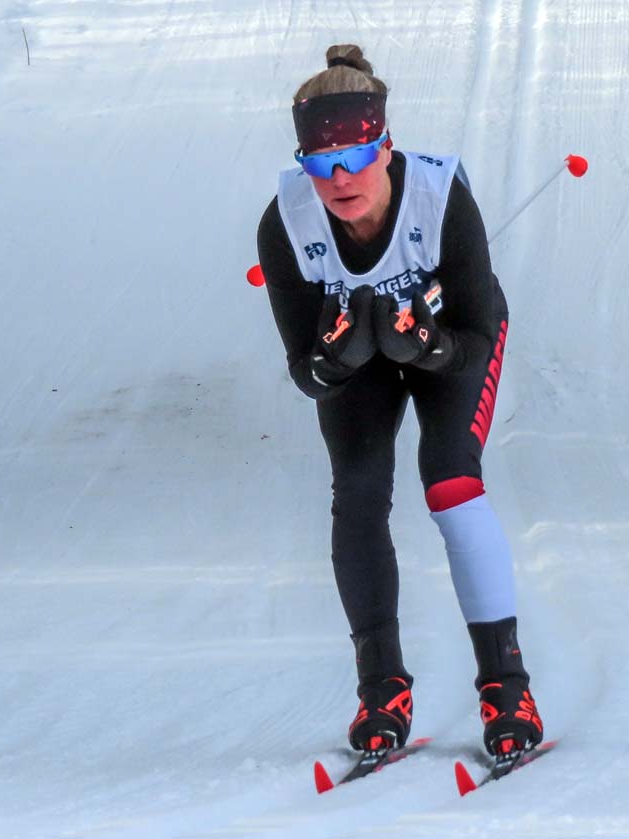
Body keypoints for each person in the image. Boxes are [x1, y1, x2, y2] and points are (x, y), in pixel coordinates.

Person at [256, 44, 544, 760]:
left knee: (450, 481)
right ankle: (381, 688)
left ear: (386, 146)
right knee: (357, 492)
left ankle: (506, 686)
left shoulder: (440, 198)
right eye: (319, 166)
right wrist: (334, 359)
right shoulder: (285, 221)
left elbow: (479, 330)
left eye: (355, 157)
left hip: (450, 340)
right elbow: (304, 371)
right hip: (368, 357)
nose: (339, 179)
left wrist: (431, 348)